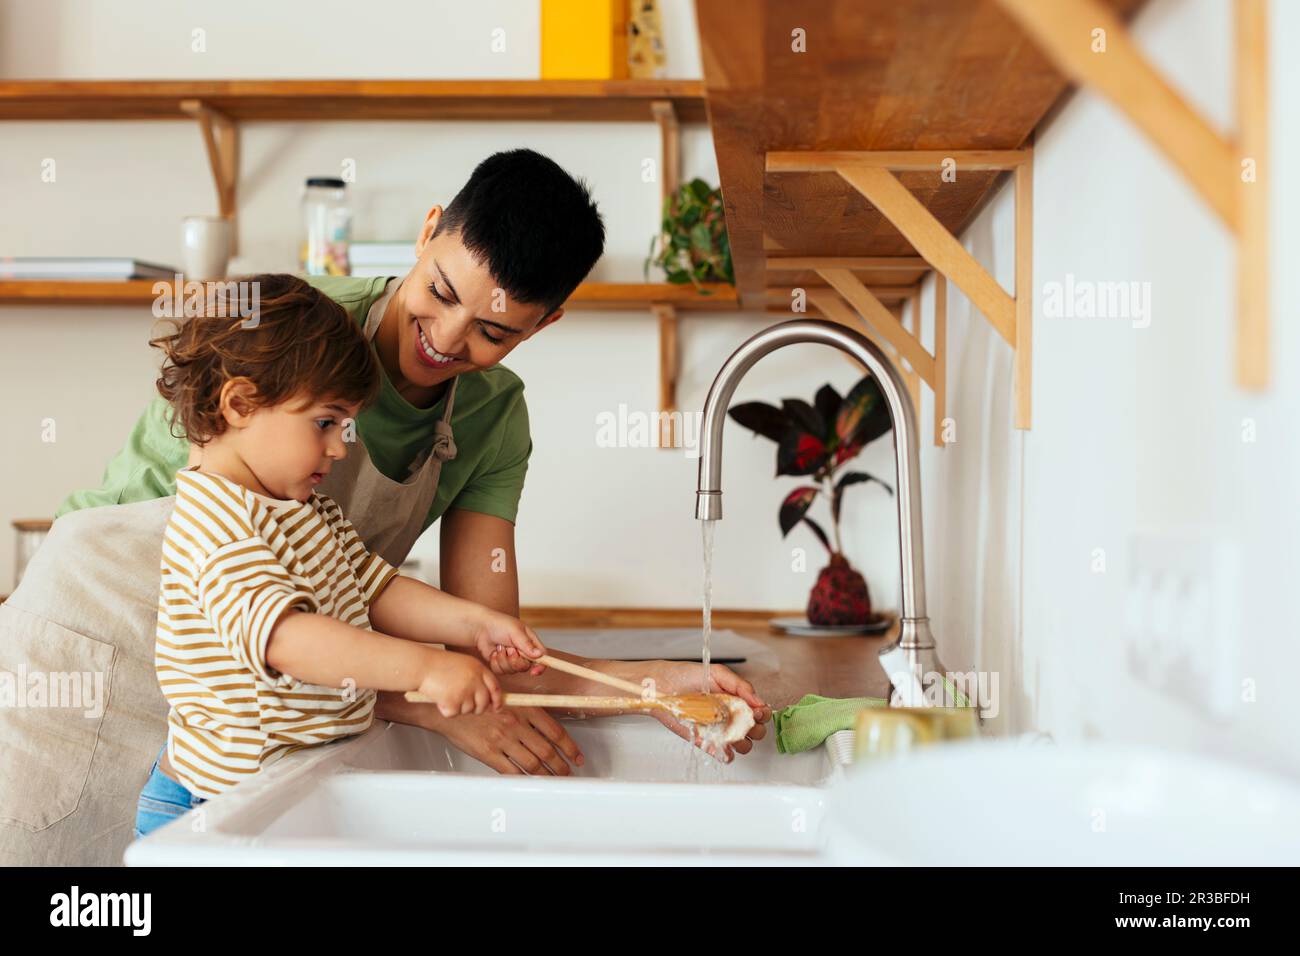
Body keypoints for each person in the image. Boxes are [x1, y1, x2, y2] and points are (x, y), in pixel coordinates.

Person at [0, 148, 767, 866]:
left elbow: (481, 651)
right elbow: (289, 635)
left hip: (247, 718)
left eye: (494, 330)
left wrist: (652, 686)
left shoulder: (493, 419)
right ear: (427, 230)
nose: (444, 339)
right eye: (439, 291)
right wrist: (428, 691)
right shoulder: (292, 340)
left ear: (545, 323)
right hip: (94, 647)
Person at [135, 275, 549, 837]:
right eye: (325, 423)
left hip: (276, 787)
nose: (339, 446)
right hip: (211, 808)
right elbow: (288, 640)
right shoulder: (218, 522)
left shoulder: (302, 506)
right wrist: (427, 667)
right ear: (239, 404)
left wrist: (474, 624)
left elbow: (374, 588)